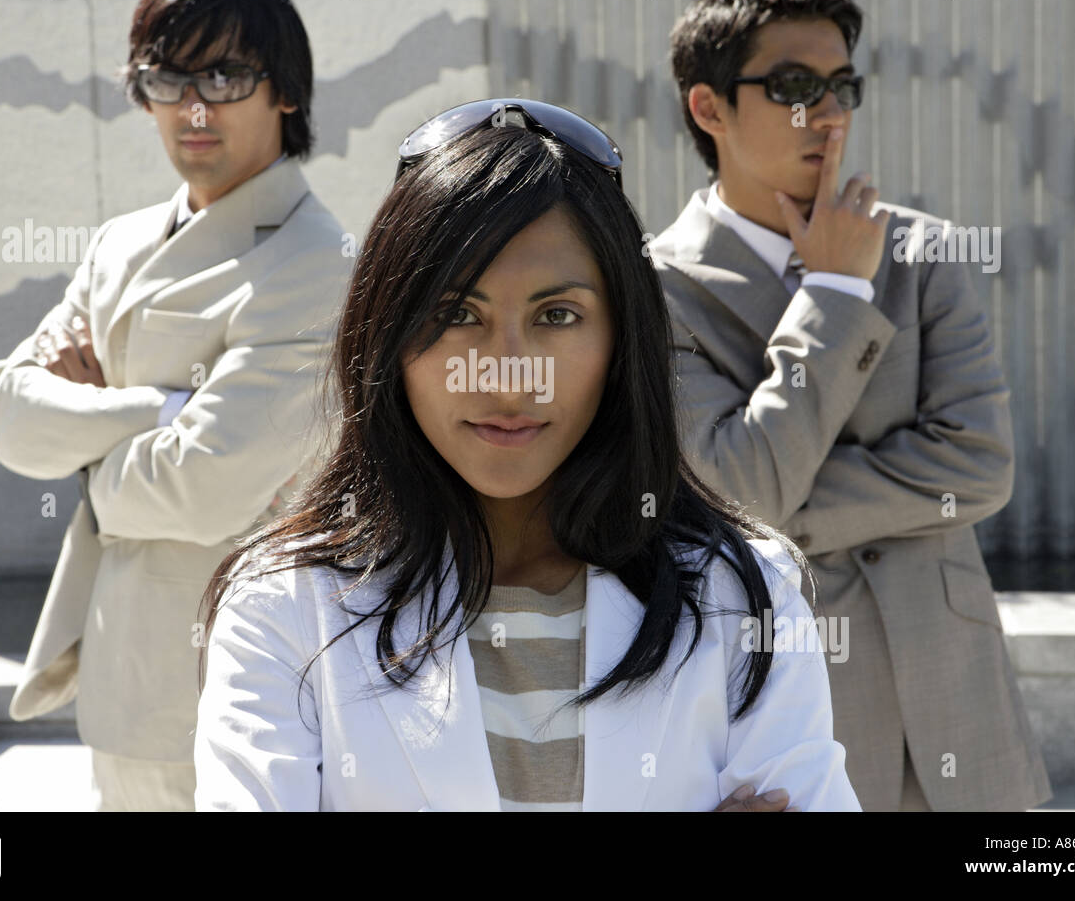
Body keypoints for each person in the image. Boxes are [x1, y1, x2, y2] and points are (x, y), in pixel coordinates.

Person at [192, 98, 861, 811]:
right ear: (387, 337)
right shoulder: (285, 605)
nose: (507, 371)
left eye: (557, 316)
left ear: (620, 340)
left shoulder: (745, 594)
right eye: (457, 315)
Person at [650, 0, 1051, 811]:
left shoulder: (923, 255)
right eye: (795, 85)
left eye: (842, 85)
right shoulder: (653, 291)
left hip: (960, 705)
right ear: (709, 106)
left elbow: (980, 466)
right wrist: (832, 295)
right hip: (796, 718)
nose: (828, 113)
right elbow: (738, 489)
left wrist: (784, 505)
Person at [0, 0, 351, 810]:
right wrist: (161, 408)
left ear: (284, 92)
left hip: (247, 688)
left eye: (224, 76)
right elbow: (9, 414)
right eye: (167, 76)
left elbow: (202, 486)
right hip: (123, 682)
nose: (192, 106)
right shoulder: (118, 244)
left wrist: (90, 441)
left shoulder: (314, 264)